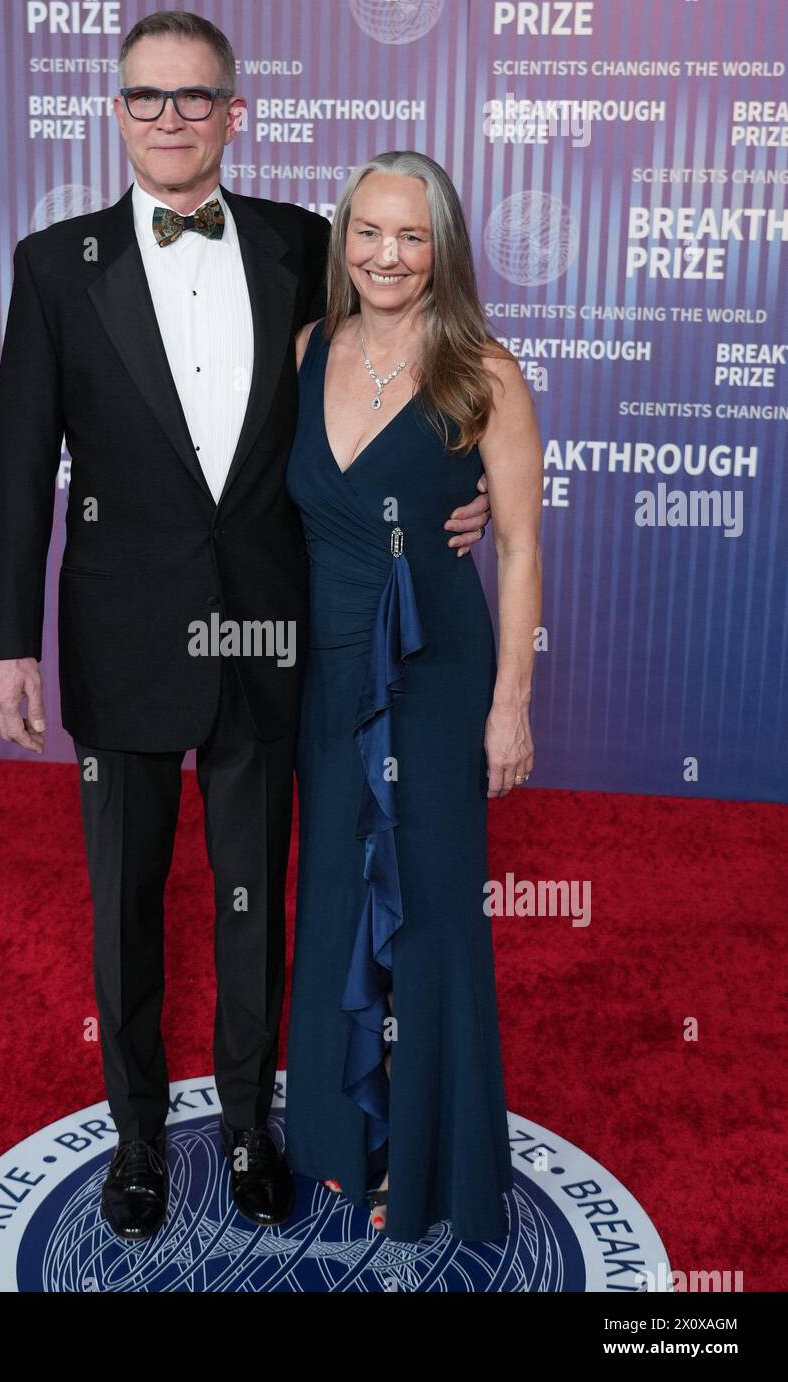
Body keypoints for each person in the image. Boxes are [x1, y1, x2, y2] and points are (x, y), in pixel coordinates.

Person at [0, 13, 493, 1243]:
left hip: (274, 640)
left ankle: (256, 1126)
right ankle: (141, 1140)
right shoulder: (56, 264)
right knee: (126, 907)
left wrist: (447, 492)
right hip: (121, 643)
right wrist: (8, 637)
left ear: (234, 112)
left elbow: (393, 368)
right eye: (146, 98)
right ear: (115, 112)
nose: (169, 118)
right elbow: (14, 465)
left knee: (260, 898)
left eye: (193, 98)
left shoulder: (300, 244)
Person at [284, 151, 542, 1242]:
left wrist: (509, 703)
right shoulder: (307, 349)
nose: (385, 256)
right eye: (366, 233)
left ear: (442, 247)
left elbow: (521, 548)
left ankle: (432, 1160)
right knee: (335, 895)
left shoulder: (483, 370)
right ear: (342, 241)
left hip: (434, 671)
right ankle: (341, 1145)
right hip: (325, 667)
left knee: (431, 910)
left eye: (409, 236)